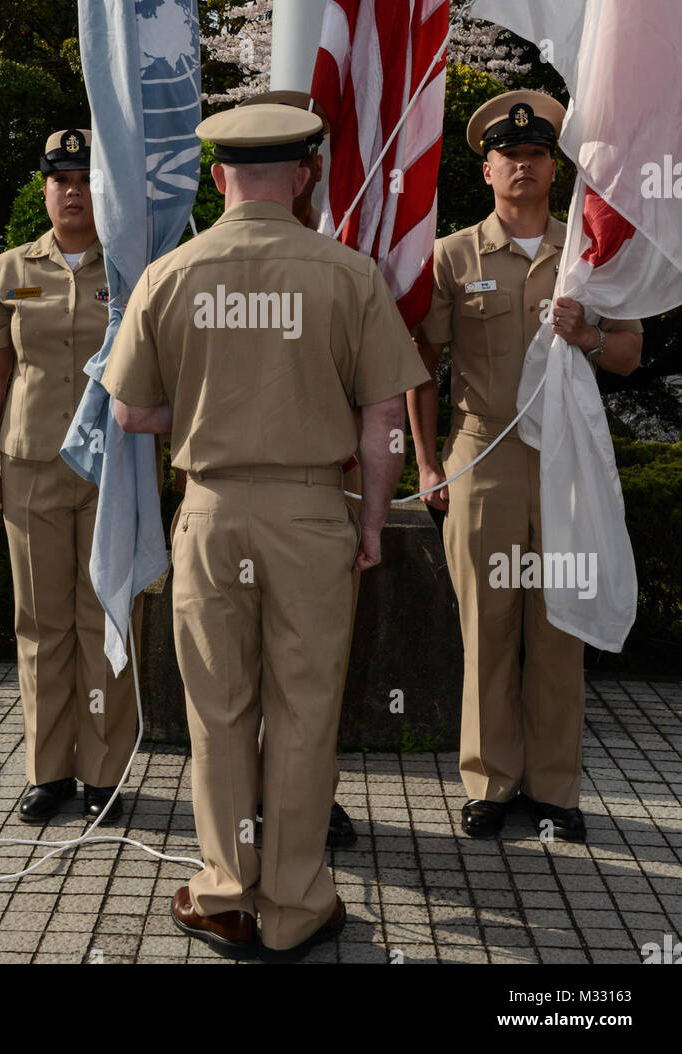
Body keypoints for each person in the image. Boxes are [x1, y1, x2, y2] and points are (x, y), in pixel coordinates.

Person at [102, 102, 429, 962]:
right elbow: (383, 415)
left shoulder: (170, 273)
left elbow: (131, 409)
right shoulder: (348, 273)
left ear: (219, 179)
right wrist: (367, 521)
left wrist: (208, 409)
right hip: (312, 513)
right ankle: (293, 903)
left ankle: (223, 896)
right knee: (305, 709)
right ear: (304, 174)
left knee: (217, 712)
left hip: (210, 512)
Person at [407, 91, 643, 843]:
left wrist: (586, 335)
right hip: (483, 458)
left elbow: (628, 355)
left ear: (554, 167)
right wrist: (424, 463)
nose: (522, 165)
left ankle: (553, 788)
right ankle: (489, 782)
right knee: (487, 625)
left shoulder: (590, 256)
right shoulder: (451, 256)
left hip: (565, 461)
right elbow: (421, 365)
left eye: (536, 154)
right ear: (487, 170)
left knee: (557, 626)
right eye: (509, 156)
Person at [0, 128, 142, 825]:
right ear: (44, 191)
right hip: (33, 464)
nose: (72, 192)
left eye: (84, 180)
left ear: (101, 190)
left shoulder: (133, 268)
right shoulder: (12, 269)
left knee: (105, 614)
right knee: (42, 622)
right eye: (60, 181)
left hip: (113, 467)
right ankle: (49, 772)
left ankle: (104, 773)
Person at [244, 88, 359, 850]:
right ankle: (254, 806)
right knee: (245, 672)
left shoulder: (339, 255)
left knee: (309, 669)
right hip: (243, 490)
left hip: (318, 483)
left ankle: (309, 796)